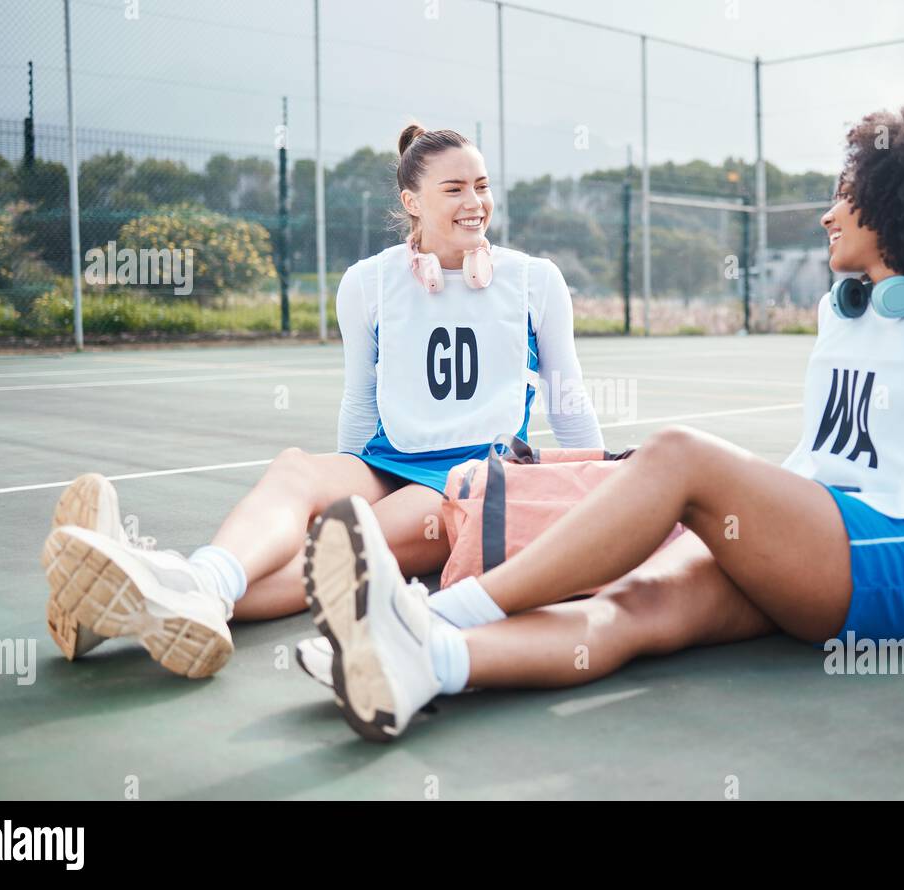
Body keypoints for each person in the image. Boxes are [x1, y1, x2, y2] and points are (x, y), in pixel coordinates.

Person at [302, 97, 904, 742]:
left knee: (682, 456)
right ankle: (430, 665)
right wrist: (746, 524)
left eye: (843, 195)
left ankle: (431, 615)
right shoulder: (847, 306)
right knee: (638, 604)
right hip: (822, 540)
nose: (825, 211)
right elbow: (818, 456)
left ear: (897, 205)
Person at [41, 124, 603, 679]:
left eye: (481, 185)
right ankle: (189, 587)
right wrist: (344, 479)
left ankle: (145, 589)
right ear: (412, 201)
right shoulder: (368, 283)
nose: (474, 202)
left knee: (335, 546)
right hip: (386, 461)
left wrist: (600, 493)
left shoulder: (535, 281)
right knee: (295, 470)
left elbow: (567, 398)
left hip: (468, 480)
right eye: (454, 189)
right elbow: (359, 399)